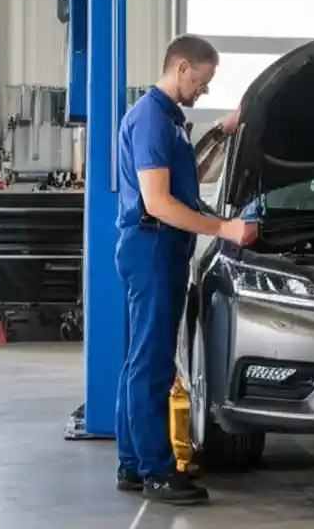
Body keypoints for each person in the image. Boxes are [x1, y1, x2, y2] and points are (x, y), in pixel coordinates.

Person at [114, 34, 257, 505]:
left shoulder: (167, 119)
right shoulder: (153, 120)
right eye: (203, 79)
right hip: (153, 248)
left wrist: (222, 130)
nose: (205, 89)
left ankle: (133, 465)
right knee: (152, 364)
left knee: (140, 360)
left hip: (157, 250)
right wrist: (227, 230)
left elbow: (195, 172)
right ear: (180, 67)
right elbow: (159, 202)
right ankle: (156, 472)